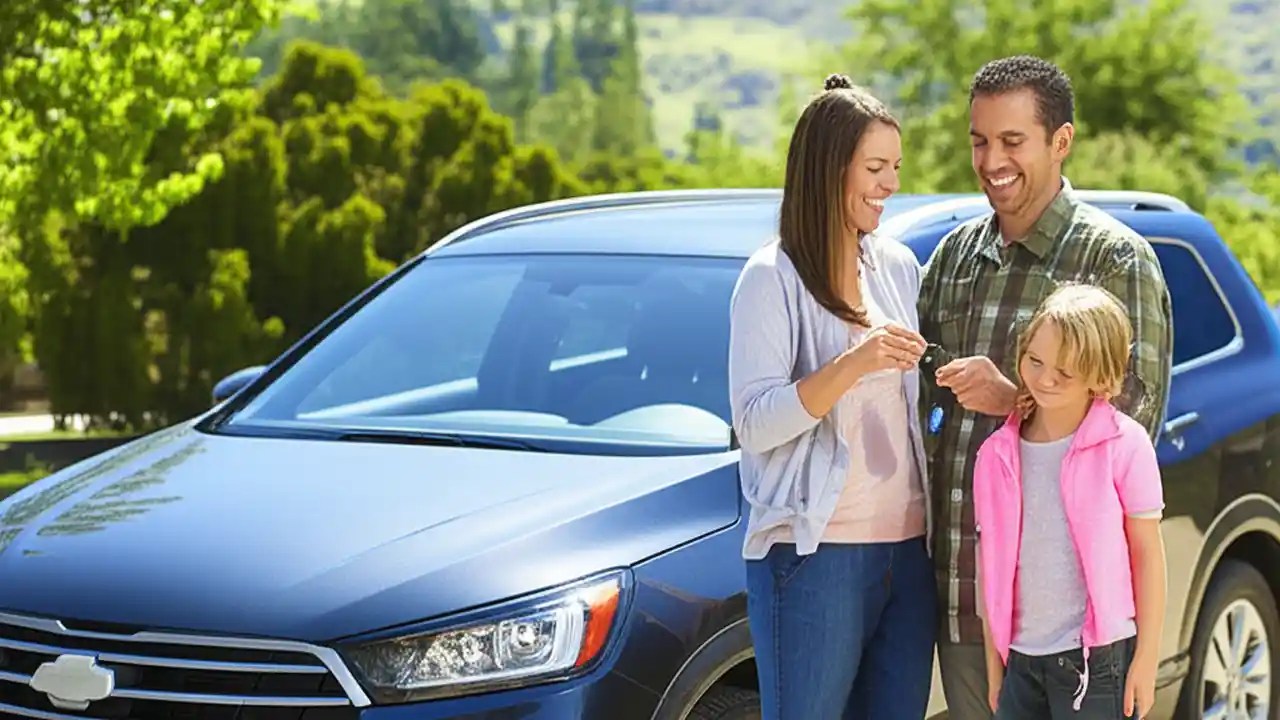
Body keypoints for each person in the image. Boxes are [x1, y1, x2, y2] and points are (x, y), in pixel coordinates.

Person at [916, 55, 1174, 719]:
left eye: (1011, 141)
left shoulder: (1113, 259)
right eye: (979, 141)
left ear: (1062, 142)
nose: (991, 160)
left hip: (1077, 624)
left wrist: (1016, 400)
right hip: (966, 598)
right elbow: (920, 413)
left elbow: (1133, 416)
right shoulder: (951, 261)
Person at [728, 73, 936, 719]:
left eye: (895, 167)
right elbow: (755, 424)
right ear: (828, 169)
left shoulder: (897, 265)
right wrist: (853, 363)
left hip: (909, 552)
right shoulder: (771, 277)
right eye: (875, 167)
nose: (891, 184)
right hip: (815, 560)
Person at [973, 283, 1167, 719]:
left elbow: (1147, 555)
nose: (1044, 379)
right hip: (1019, 661)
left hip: (1099, 662)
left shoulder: (1125, 444)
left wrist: (1146, 659)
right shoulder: (996, 455)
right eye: (1035, 361)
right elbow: (991, 566)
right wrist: (994, 664)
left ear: (1100, 377)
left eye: (1065, 371)